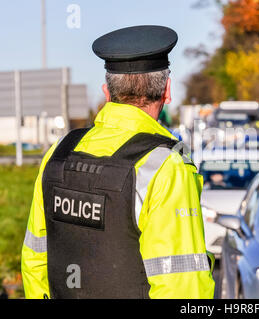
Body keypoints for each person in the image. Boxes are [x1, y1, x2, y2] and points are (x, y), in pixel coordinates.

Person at [21, 25, 215, 299]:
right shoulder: (165, 166)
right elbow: (181, 286)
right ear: (167, 91)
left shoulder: (59, 152)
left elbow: (34, 260)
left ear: (107, 92)